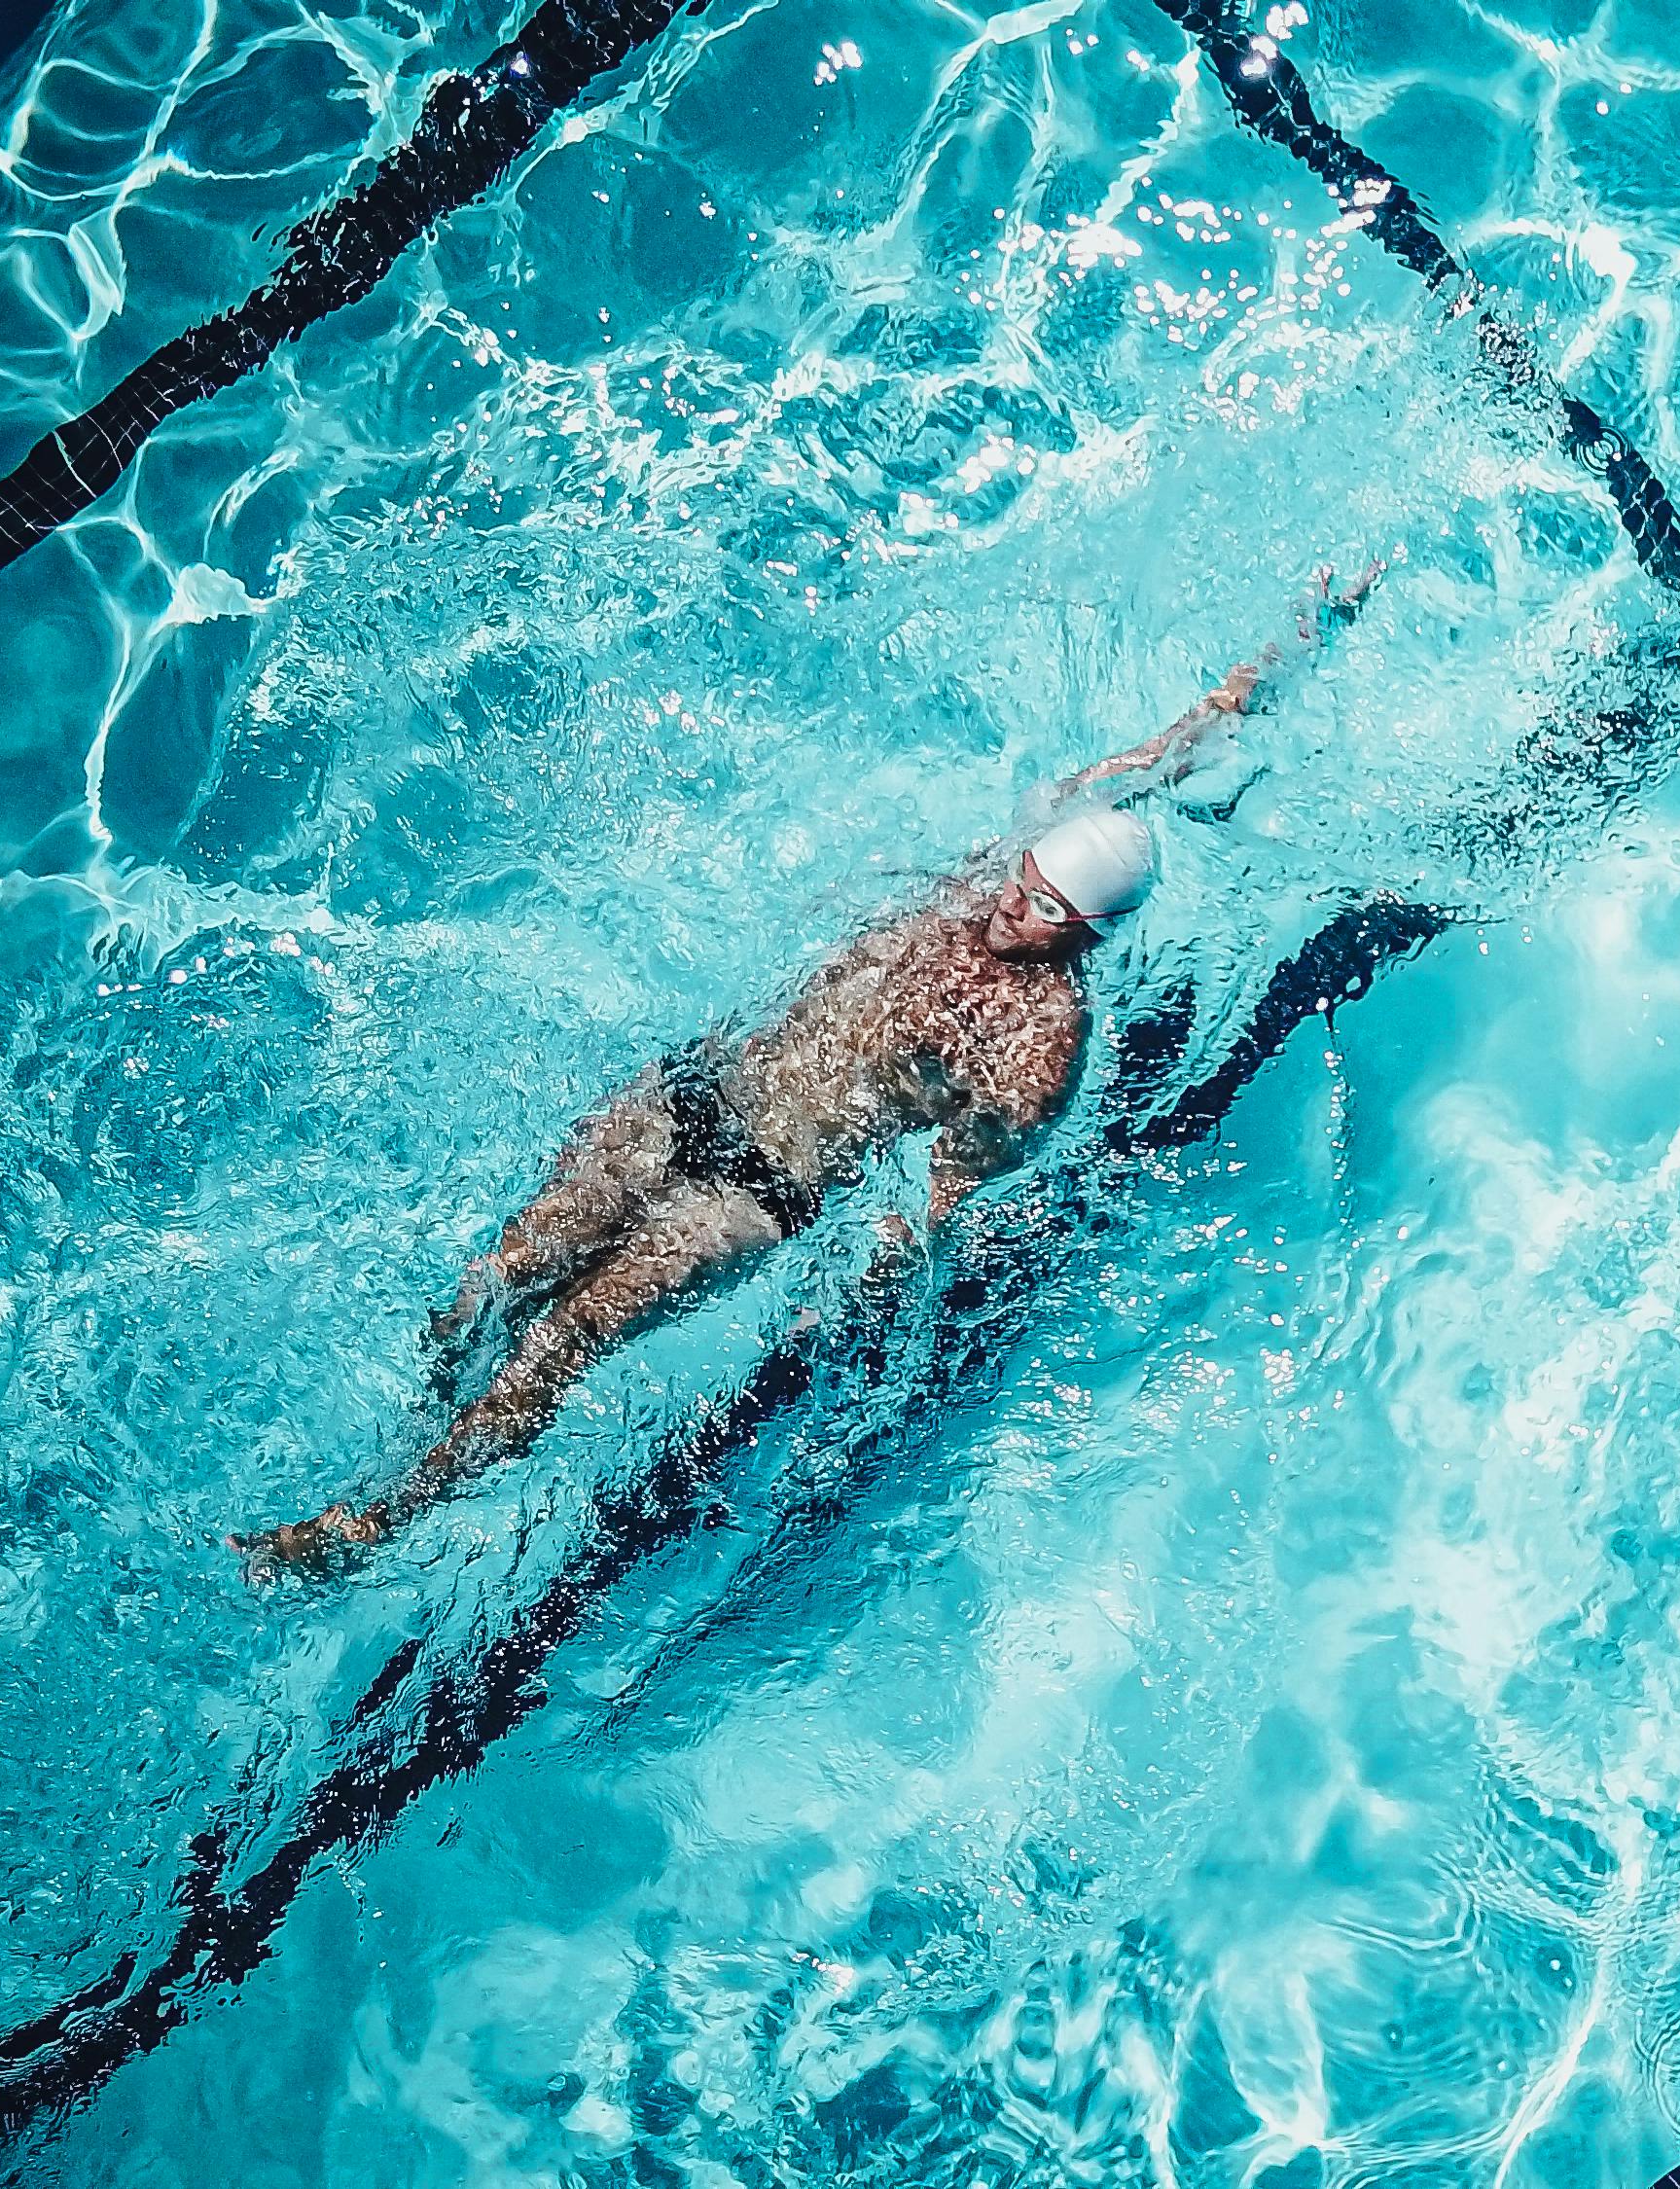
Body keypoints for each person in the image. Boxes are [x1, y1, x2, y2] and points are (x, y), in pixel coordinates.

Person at [233, 566, 1376, 1578]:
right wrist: (1280, 657)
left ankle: (373, 1524)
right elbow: (1164, 753)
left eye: (1039, 908)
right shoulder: (991, 874)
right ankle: (414, 1421)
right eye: (1018, 879)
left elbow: (950, 1189)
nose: (1006, 907)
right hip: (683, 1100)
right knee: (503, 1273)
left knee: (562, 1339)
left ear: (1087, 932)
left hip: (757, 1195)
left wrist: (895, 1265)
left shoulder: (1040, 1045)